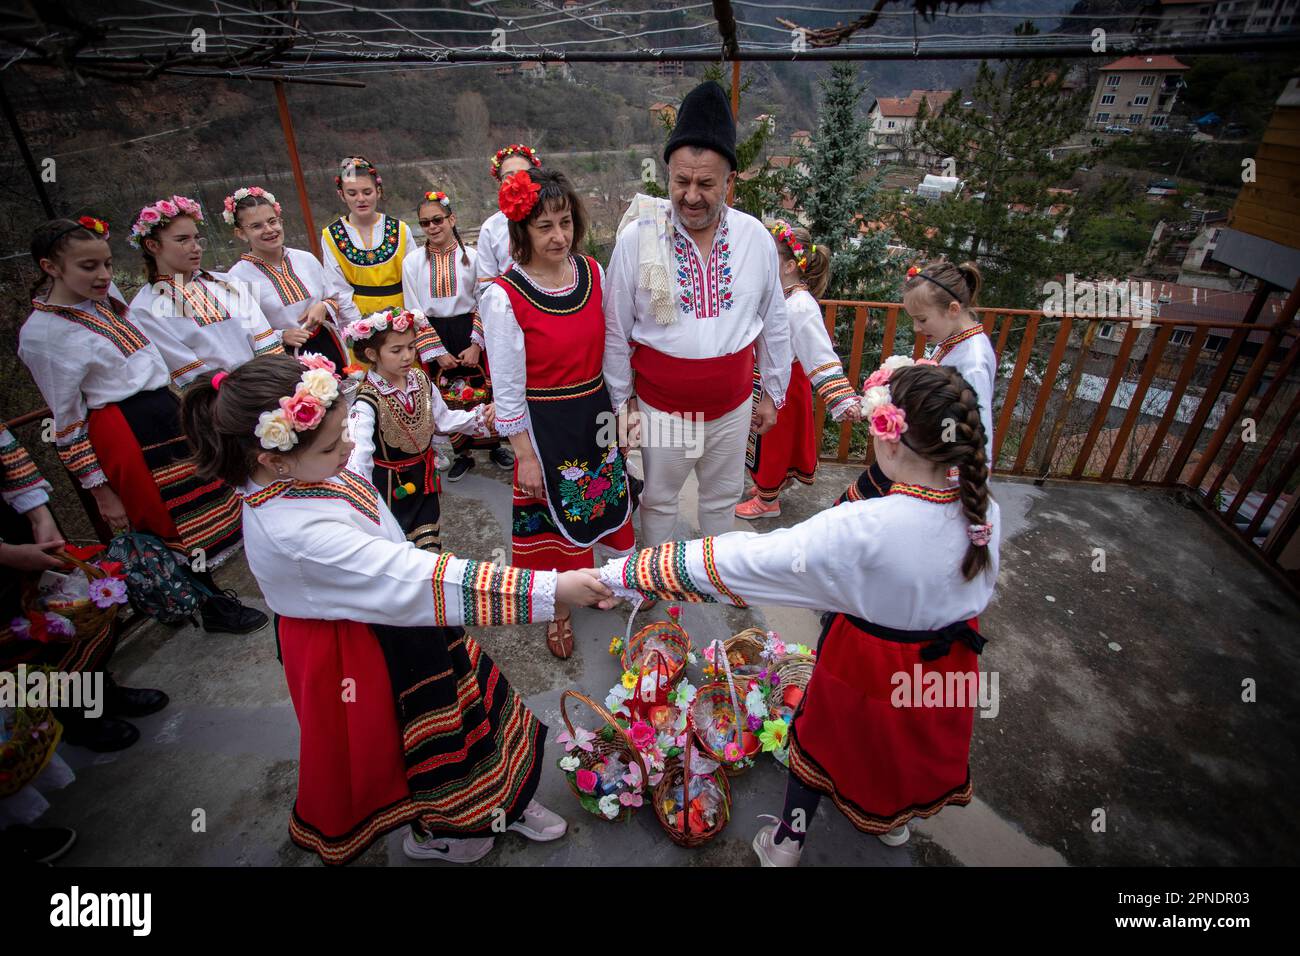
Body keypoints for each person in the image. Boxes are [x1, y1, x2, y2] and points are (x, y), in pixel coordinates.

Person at [180, 353, 614, 865]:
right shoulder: (292, 531)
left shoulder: (305, 469)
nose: (348, 445)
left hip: (399, 614)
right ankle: (446, 832)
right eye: (333, 442)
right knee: (418, 746)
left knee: (465, 714)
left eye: (344, 430)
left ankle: (499, 803)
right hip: (359, 646)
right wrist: (553, 588)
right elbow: (415, 578)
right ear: (273, 458)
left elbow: (373, 490)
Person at [593, 362, 998, 866]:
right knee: (901, 751)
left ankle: (786, 845)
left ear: (889, 439)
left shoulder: (864, 527)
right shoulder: (983, 510)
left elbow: (748, 559)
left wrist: (627, 572)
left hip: (869, 663)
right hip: (946, 667)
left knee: (822, 742)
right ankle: (892, 822)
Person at [19, 217, 265, 639]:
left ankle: (213, 595)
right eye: (88, 267)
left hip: (162, 412)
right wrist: (99, 488)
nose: (103, 276)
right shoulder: (43, 334)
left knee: (201, 504)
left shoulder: (104, 300)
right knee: (167, 518)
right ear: (51, 267)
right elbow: (67, 418)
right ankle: (206, 604)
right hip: (123, 428)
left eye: (108, 264)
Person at [604, 80, 792, 548]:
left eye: (706, 184)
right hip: (661, 407)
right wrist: (621, 403)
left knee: (721, 496)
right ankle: (654, 580)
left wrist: (773, 392)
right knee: (661, 498)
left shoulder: (755, 239)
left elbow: (774, 320)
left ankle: (715, 575)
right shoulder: (638, 239)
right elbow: (615, 328)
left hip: (733, 407)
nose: (690, 195)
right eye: (680, 181)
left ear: (729, 181)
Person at [481, 168, 637, 660]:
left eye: (565, 222)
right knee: (552, 522)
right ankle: (559, 609)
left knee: (604, 504)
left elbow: (613, 350)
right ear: (521, 231)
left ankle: (604, 582)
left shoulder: (593, 272)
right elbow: (506, 388)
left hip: (593, 413)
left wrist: (621, 413)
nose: (558, 235)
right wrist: (523, 454)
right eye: (544, 225)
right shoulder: (504, 297)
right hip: (545, 427)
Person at [0, 423, 170, 754]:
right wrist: (7, 555)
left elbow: (11, 459)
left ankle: (102, 694)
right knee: (23, 637)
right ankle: (72, 718)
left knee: (66, 610)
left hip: (21, 526)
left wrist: (41, 518)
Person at [837, 259, 994, 504]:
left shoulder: (973, 363)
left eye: (922, 319)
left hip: (931, 471)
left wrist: (954, 481)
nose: (916, 328)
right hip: (921, 458)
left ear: (953, 309)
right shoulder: (954, 341)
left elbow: (969, 428)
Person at [344, 308, 495, 552]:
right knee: (401, 554)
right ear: (372, 354)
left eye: (411, 347)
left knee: (430, 548)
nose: (407, 356)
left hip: (425, 481)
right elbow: (359, 457)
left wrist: (483, 418)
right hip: (390, 491)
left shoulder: (420, 380)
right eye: (396, 350)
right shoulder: (366, 402)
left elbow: (443, 420)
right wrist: (362, 501)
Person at [738, 222, 860, 520]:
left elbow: (819, 353)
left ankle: (768, 502)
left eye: (770, 259)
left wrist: (842, 398)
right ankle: (767, 487)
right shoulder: (781, 296)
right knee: (763, 441)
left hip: (784, 389)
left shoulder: (801, 305)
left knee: (774, 445)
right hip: (769, 383)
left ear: (790, 265)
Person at [402, 190, 511, 480]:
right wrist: (436, 351)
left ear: (452, 219)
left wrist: (477, 343)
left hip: (470, 327)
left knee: (481, 388)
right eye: (425, 223)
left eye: (438, 219)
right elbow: (413, 309)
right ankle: (461, 453)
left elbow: (483, 300)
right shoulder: (412, 262)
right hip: (433, 331)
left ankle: (492, 446)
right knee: (446, 392)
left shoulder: (473, 257)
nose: (432, 227)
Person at [126, 195, 285, 390]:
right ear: (153, 245)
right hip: (219, 401)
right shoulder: (146, 309)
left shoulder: (227, 282)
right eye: (183, 240)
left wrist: (273, 383)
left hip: (269, 384)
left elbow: (262, 336)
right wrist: (241, 394)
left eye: (196, 238)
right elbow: (189, 370)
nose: (197, 248)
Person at [225, 186, 350, 370]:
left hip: (328, 347)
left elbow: (335, 298)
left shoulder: (305, 259)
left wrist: (323, 306)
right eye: (257, 226)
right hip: (285, 360)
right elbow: (244, 332)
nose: (269, 229)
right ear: (241, 233)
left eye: (272, 221)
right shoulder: (237, 278)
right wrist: (281, 336)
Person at [320, 156, 415, 320]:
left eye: (367, 192)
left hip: (402, 314)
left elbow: (414, 278)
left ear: (378, 192)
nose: (361, 199)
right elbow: (337, 287)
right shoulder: (331, 235)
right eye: (352, 193)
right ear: (342, 195)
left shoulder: (400, 229)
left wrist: (409, 316)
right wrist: (359, 326)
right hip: (358, 317)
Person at [475, 143, 542, 296]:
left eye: (523, 173)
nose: (517, 180)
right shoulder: (490, 228)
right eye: (508, 176)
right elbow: (487, 285)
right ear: (500, 183)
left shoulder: (552, 216)